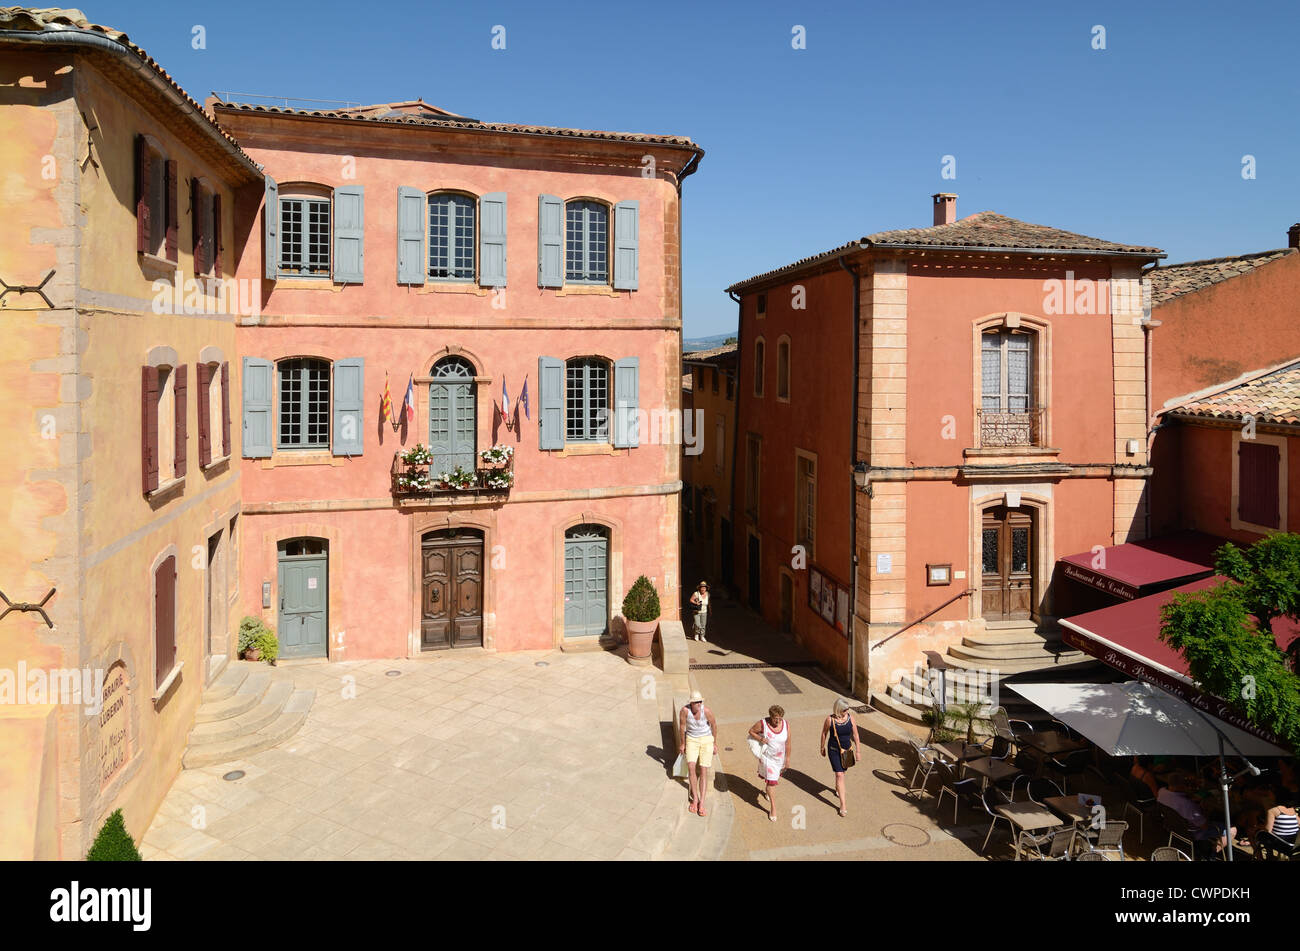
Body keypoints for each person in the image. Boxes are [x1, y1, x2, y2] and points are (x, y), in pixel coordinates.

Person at [1158, 778, 1235, 857]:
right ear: (1180, 786)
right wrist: (1205, 810)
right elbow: (1204, 826)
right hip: (1191, 833)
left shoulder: (1161, 791)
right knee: (1232, 830)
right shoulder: (1188, 805)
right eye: (1186, 785)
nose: (1188, 787)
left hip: (1172, 827)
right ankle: (1212, 852)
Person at [677, 691, 718, 817]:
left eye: (700, 701)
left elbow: (714, 725)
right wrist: (683, 744)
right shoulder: (684, 711)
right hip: (692, 739)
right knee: (691, 767)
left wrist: (715, 743)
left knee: (704, 770)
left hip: (706, 739)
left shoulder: (707, 711)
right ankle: (695, 798)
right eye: (696, 702)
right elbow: (682, 727)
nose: (699, 704)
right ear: (691, 703)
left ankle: (702, 802)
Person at [749, 704, 790, 822]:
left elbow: (788, 743)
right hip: (768, 759)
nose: (778, 721)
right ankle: (773, 808)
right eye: (775, 718)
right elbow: (751, 731)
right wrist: (761, 739)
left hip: (779, 759)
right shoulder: (763, 724)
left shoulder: (786, 725)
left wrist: (787, 759)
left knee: (774, 779)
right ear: (770, 716)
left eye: (780, 718)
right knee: (772, 782)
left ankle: (767, 793)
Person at [820, 698, 860, 817]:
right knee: (839, 774)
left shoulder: (850, 718)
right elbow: (824, 733)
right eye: (845, 710)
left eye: (848, 709)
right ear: (839, 710)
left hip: (847, 750)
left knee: (842, 773)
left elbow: (856, 735)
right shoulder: (830, 720)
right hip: (834, 750)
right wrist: (822, 747)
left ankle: (838, 786)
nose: (847, 711)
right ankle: (843, 804)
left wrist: (858, 751)